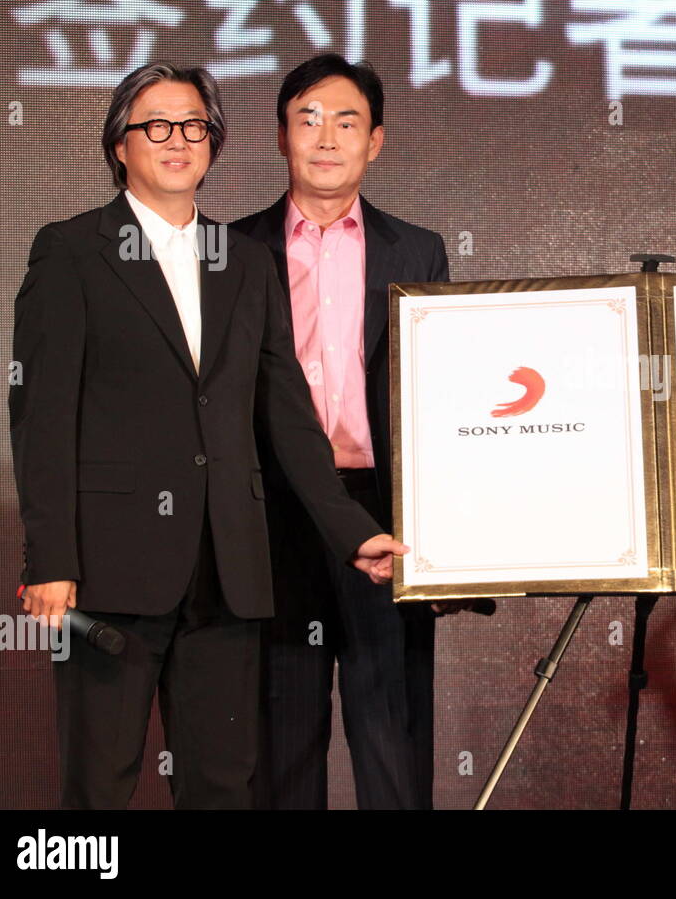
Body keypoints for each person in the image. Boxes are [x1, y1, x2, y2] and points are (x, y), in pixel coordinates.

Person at [9, 61, 407, 809]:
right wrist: (51, 558)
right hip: (109, 573)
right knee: (98, 784)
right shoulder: (70, 251)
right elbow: (41, 417)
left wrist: (352, 532)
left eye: (194, 126)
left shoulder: (245, 262)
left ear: (214, 145)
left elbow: (288, 416)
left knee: (223, 785)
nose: (177, 139)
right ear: (120, 146)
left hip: (228, 571)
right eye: (156, 125)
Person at [232, 54, 450, 810]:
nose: (327, 137)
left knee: (392, 733)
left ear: (377, 141)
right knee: (282, 737)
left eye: (347, 121)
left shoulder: (416, 251)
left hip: (382, 520)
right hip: (271, 517)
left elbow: (437, 394)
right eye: (309, 118)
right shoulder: (228, 250)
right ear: (281, 135)